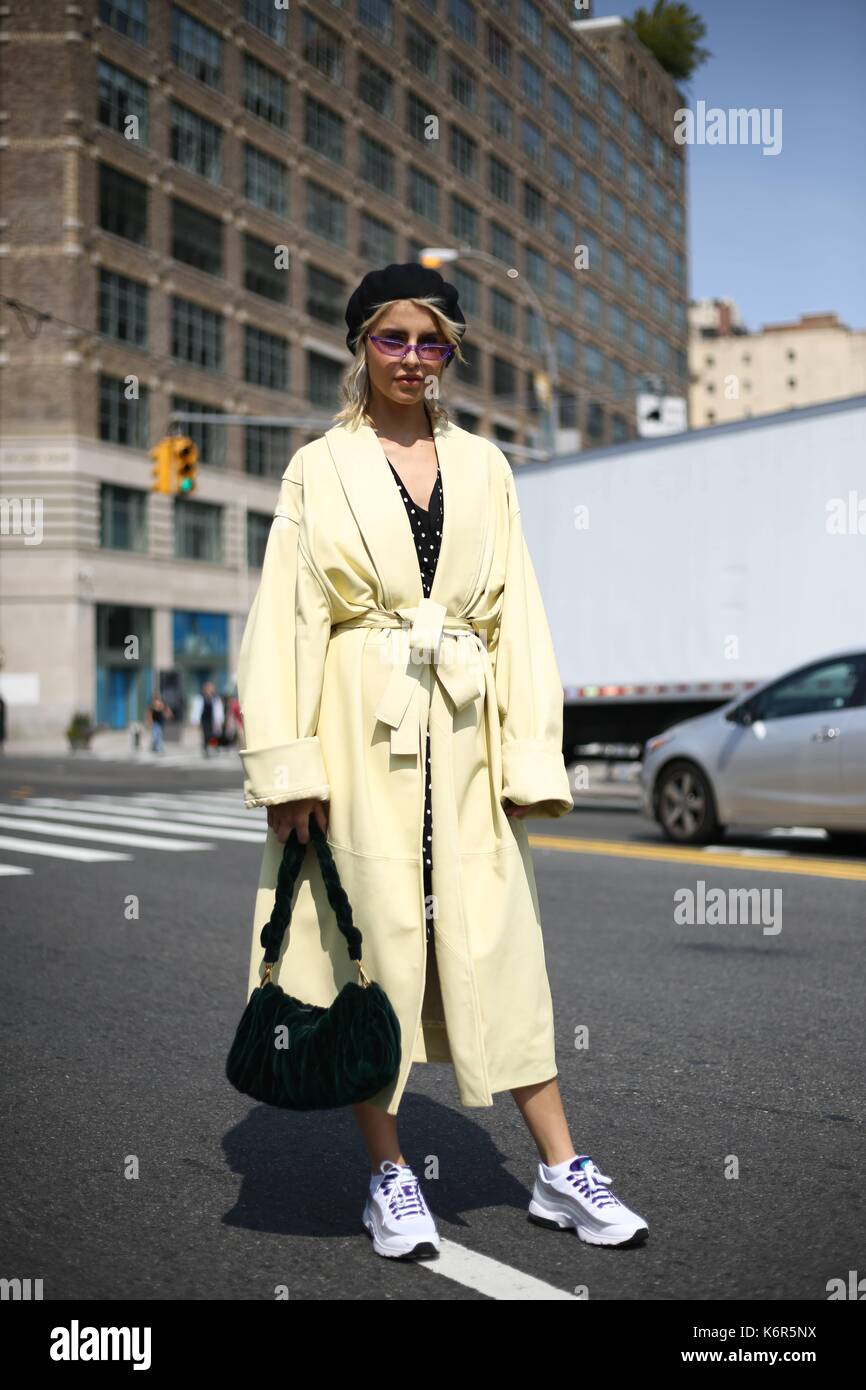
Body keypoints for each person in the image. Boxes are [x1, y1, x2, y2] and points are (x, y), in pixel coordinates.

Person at [236, 263, 647, 1260]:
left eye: (432, 342)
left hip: (459, 745)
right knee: (362, 952)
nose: (413, 359)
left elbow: (518, 620)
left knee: (496, 946)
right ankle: (388, 1177)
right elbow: (286, 622)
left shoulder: (488, 468)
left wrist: (526, 757)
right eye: (393, 339)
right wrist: (289, 772)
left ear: (450, 353)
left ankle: (557, 1169)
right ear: (358, 345)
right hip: (355, 737)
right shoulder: (316, 466)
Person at [190, 681, 223, 758]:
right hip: (204, 720)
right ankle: (205, 749)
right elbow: (196, 710)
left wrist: (220, 720)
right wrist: (195, 721)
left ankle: (215, 746)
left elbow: (218, 710)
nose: (209, 690)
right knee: (205, 735)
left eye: (211, 688)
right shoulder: (200, 698)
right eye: (208, 688)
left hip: (213, 720)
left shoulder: (215, 698)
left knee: (213, 735)